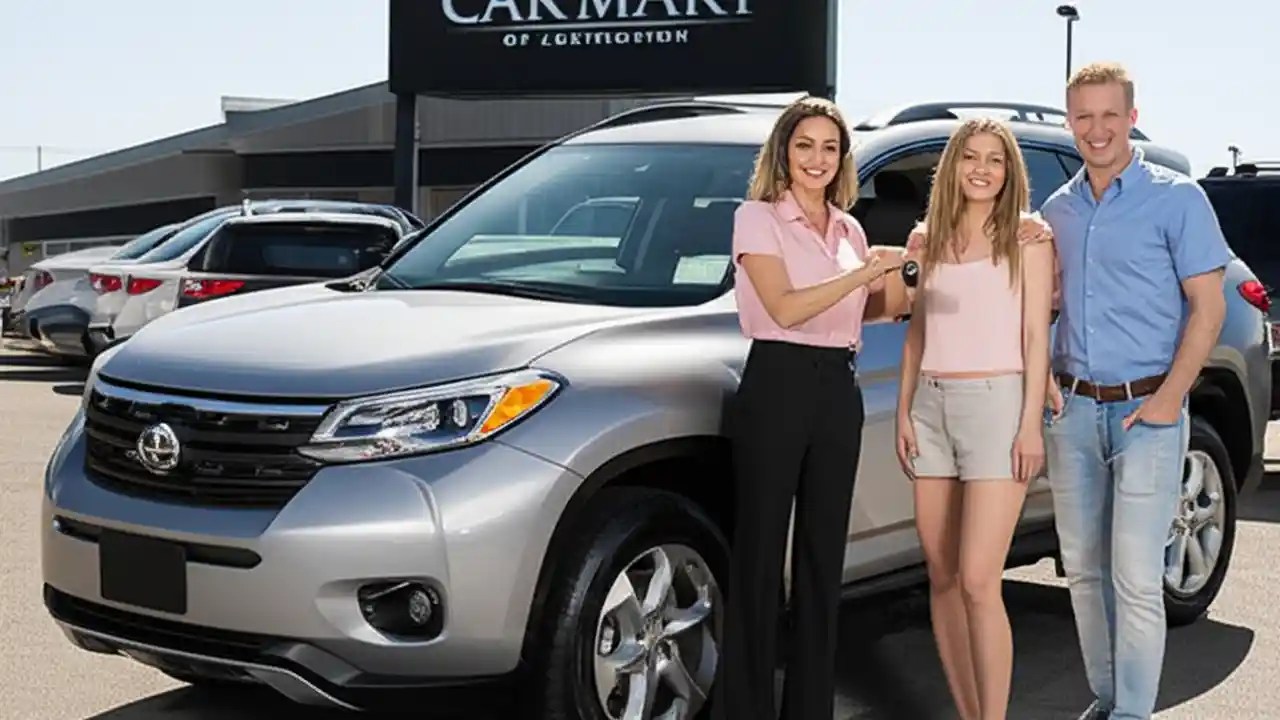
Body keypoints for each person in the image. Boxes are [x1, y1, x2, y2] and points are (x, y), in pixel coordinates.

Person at [1039, 62, 1230, 720]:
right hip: (1072, 412)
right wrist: (1046, 383)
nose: (1097, 130)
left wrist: (1170, 399)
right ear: (1070, 122)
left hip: (1148, 412)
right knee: (1083, 572)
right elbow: (1040, 307)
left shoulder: (1177, 199)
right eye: (1083, 117)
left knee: (1136, 577)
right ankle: (1110, 698)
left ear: (1132, 117)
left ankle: (1132, 714)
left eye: (1109, 115)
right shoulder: (1055, 212)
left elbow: (1208, 308)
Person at [712, 95, 906, 720]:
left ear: (842, 157)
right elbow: (786, 308)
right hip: (778, 382)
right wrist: (861, 275)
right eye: (805, 146)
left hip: (838, 390)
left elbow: (869, 312)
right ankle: (744, 710)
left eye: (830, 147)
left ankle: (809, 709)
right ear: (784, 152)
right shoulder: (757, 218)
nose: (817, 159)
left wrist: (908, 268)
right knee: (760, 555)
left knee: (824, 561)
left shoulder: (849, 229)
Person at [894, 117, 1056, 720]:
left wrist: (1030, 424)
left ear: (1009, 171)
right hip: (930, 408)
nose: (982, 169)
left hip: (998, 407)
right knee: (941, 576)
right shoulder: (924, 240)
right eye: (971, 157)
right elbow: (918, 334)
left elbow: (1036, 337)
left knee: (979, 580)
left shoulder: (1028, 238)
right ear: (953, 166)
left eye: (995, 159)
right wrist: (904, 412)